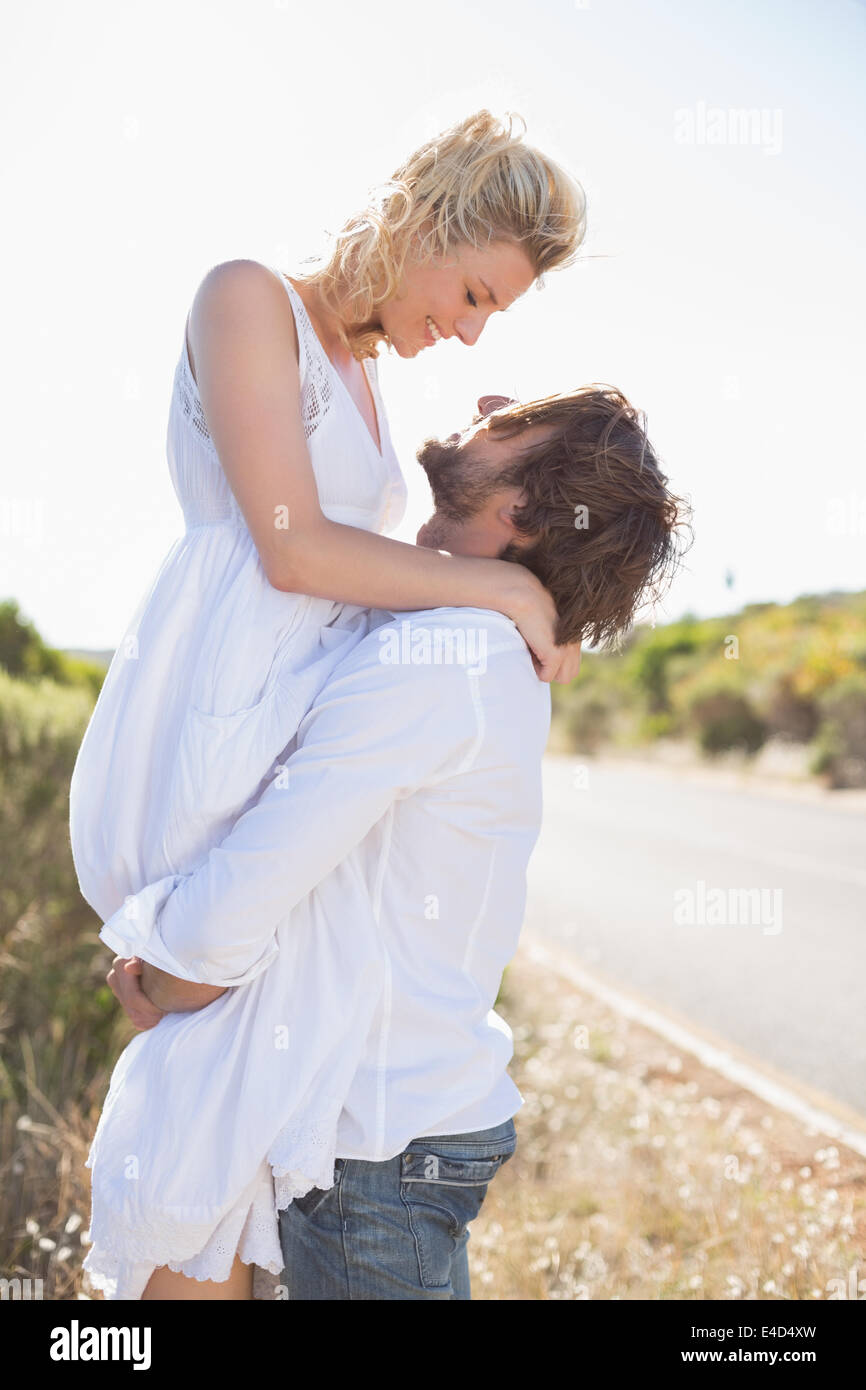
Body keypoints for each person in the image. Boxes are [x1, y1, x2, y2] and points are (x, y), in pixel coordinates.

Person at [89, 385, 691, 1300]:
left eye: (515, 420)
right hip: (388, 1140)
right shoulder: (461, 637)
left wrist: (170, 975)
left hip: (378, 1155)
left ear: (520, 511)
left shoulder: (447, 657)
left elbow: (270, 860)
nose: (489, 397)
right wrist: (512, 585)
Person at [69, 109, 585, 946]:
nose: (470, 331)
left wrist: (538, 602)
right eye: (473, 295)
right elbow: (293, 547)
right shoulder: (247, 297)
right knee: (198, 971)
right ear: (425, 223)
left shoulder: (366, 369)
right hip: (214, 712)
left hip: (290, 734)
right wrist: (506, 587)